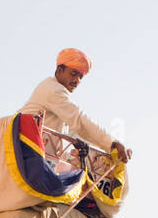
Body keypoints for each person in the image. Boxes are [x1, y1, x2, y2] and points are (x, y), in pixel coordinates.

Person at [19, 48, 131, 177]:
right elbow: (79, 120)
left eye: (80, 77)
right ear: (59, 71)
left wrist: (111, 149)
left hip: (40, 157)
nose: (77, 80)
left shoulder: (58, 100)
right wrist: (112, 143)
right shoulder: (53, 90)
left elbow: (77, 131)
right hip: (27, 155)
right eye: (73, 74)